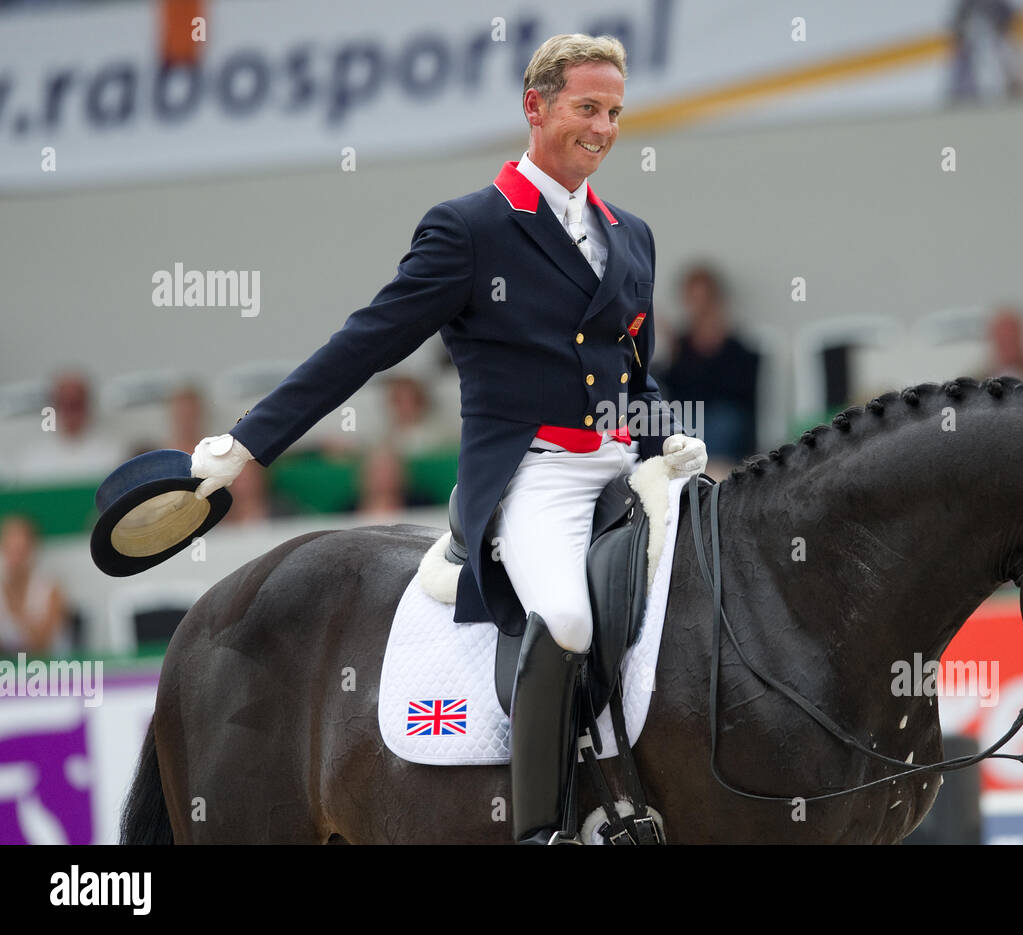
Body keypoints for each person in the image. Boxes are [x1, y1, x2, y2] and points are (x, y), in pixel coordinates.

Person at [186, 34, 706, 844]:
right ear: (535, 107)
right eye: (586, 108)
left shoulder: (630, 233)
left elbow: (634, 375)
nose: (603, 128)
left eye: (613, 112)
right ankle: (545, 828)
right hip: (533, 474)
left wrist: (671, 433)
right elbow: (367, 341)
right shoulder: (472, 228)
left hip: (624, 467)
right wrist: (248, 443)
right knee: (566, 618)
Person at [659, 264, 760, 471]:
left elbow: (740, 394)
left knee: (723, 422)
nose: (699, 307)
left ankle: (709, 476)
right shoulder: (680, 345)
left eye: (704, 299)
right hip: (688, 416)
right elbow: (673, 390)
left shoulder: (735, 345)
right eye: (693, 300)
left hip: (723, 422)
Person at [0, 515, 68, 656]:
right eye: (10, 550)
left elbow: (42, 645)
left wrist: (16, 605)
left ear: (32, 550)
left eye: (20, 551)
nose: (15, 560)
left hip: (50, 669)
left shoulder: (51, 589)